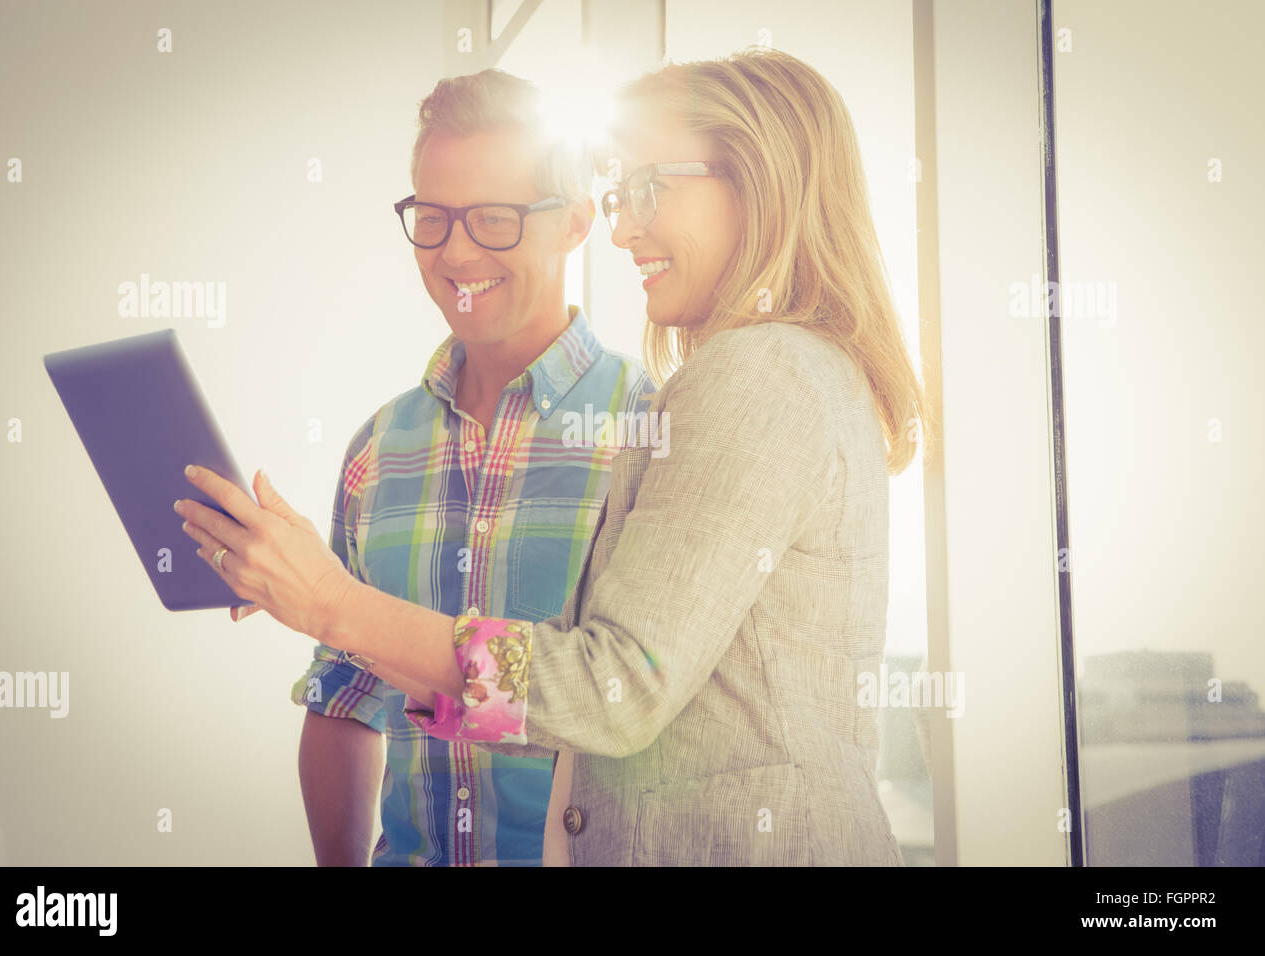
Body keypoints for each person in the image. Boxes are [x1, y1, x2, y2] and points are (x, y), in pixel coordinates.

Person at [177, 47, 927, 865]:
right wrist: (340, 619)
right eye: (619, 194)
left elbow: (614, 691)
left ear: (757, 179)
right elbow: (611, 701)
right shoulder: (786, 370)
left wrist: (332, 602)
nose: (624, 226)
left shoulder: (747, 378)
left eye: (648, 189)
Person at [258, 69, 653, 866]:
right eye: (432, 218)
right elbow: (344, 696)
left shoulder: (652, 430)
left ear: (575, 223)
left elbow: (633, 695)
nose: (456, 252)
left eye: (495, 220)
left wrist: (332, 601)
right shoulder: (378, 449)